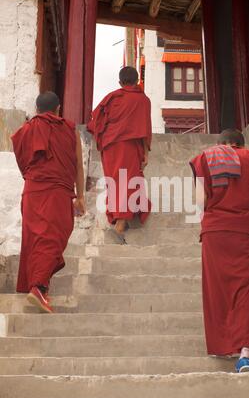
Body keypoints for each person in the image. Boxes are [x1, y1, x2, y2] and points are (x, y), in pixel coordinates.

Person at [190, 129, 249, 373]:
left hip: (216, 234)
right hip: (247, 234)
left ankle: (224, 345)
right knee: (247, 292)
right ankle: (244, 353)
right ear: (242, 144)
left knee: (219, 291)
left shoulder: (205, 159)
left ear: (219, 145)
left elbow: (201, 201)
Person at [11, 91, 85, 313]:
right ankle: (38, 287)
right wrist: (80, 196)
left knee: (36, 238)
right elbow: (78, 166)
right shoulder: (69, 130)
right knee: (53, 237)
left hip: (32, 190)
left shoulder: (25, 130)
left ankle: (39, 287)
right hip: (58, 192)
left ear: (36, 110)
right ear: (58, 109)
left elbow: (23, 163)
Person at [88, 66, 152, 243]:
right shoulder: (143, 100)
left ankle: (121, 219)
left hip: (111, 147)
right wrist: (146, 153)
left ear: (120, 82)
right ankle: (121, 222)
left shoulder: (112, 97)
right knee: (128, 181)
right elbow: (144, 128)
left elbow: (96, 121)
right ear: (137, 80)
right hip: (130, 147)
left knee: (116, 181)